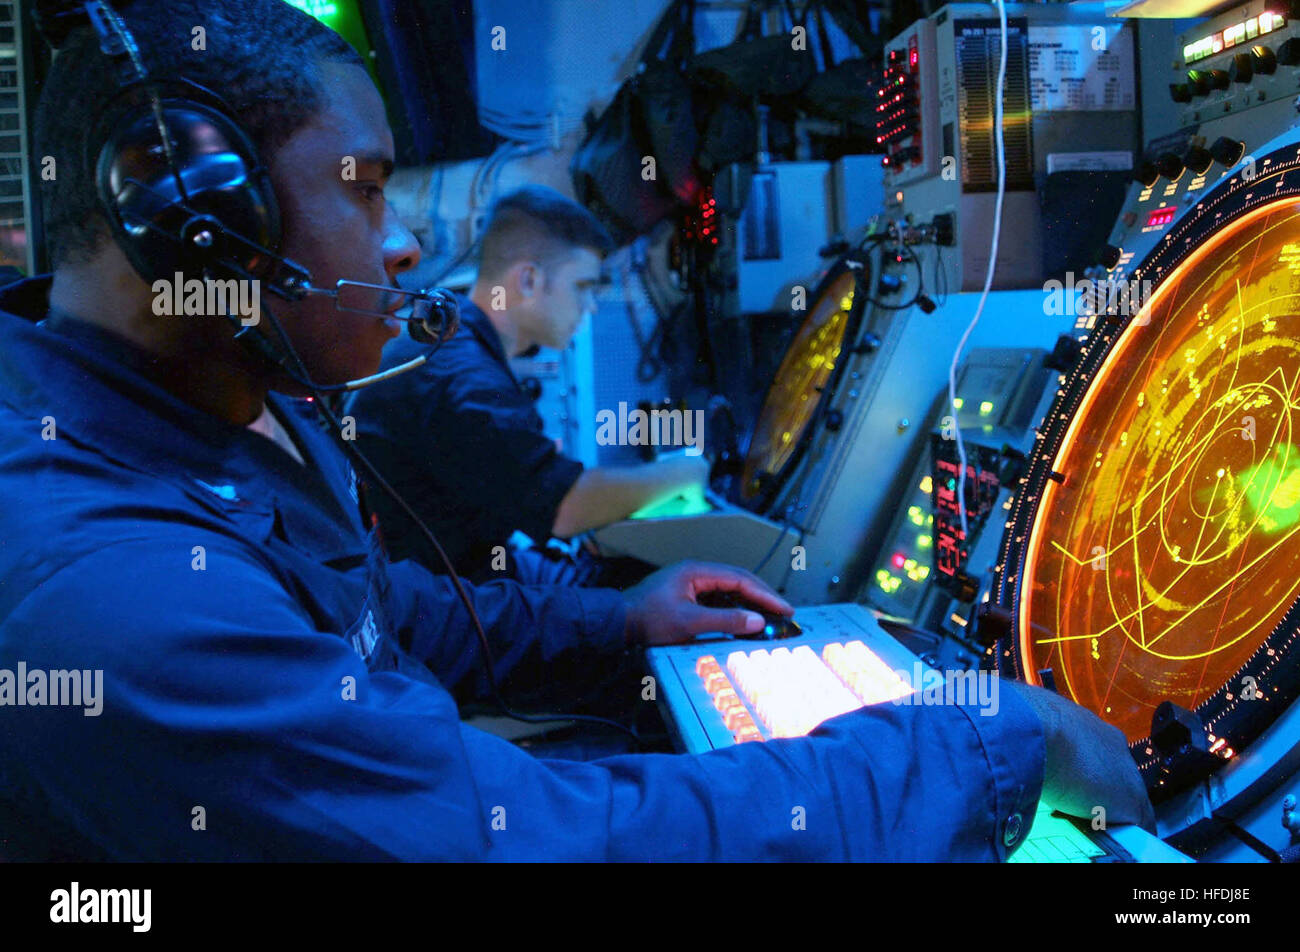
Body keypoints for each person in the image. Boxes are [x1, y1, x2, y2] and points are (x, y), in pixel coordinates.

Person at [0, 0, 1153, 861]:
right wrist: (989, 743)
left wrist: (618, 618)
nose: (399, 243)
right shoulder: (115, 594)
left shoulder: (217, 425)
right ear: (198, 218)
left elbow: (380, 614)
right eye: (362, 189)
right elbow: (530, 845)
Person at [346, 186, 707, 584]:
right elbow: (566, 507)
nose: (589, 307)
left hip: (450, 580)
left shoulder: (451, 339)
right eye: (583, 287)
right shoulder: (464, 375)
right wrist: (685, 471)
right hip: (445, 607)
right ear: (529, 280)